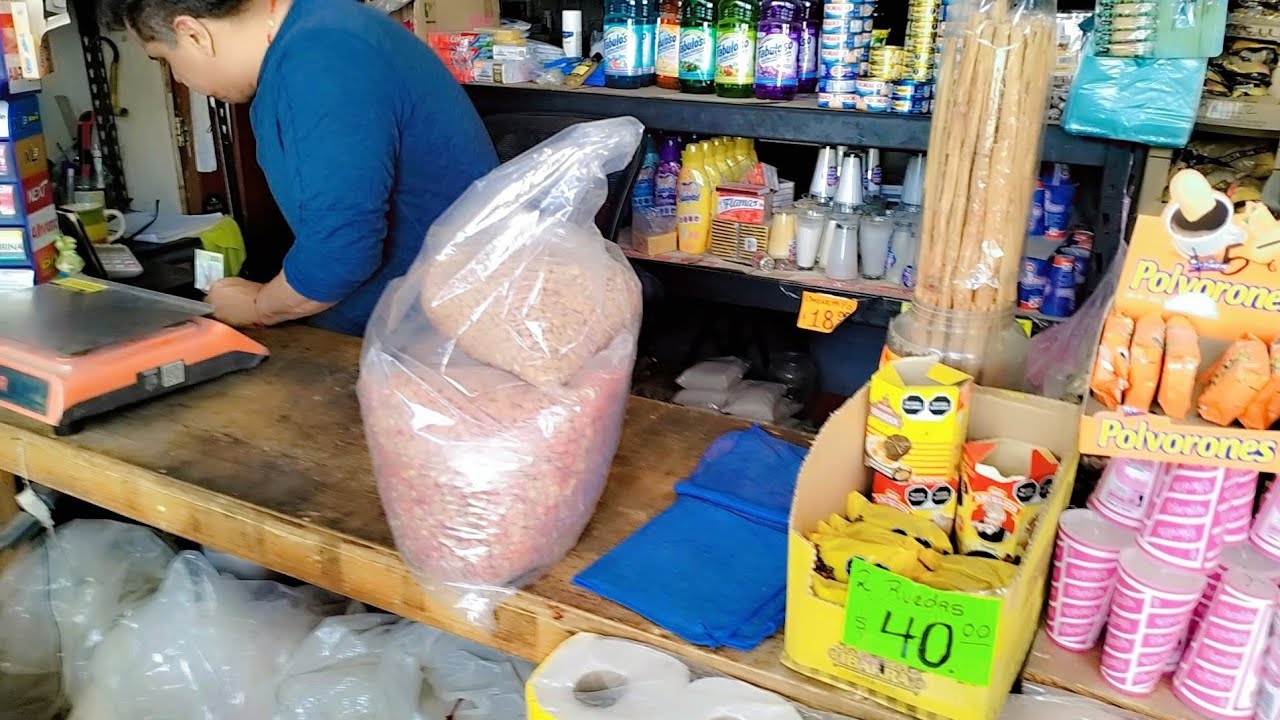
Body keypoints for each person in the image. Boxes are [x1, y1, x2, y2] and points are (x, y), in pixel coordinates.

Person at [102, 0, 498, 335]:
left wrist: (259, 305)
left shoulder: (321, 60)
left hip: (423, 329)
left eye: (164, 59)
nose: (179, 77)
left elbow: (339, 256)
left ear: (193, 34)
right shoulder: (316, 28)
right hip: (411, 307)